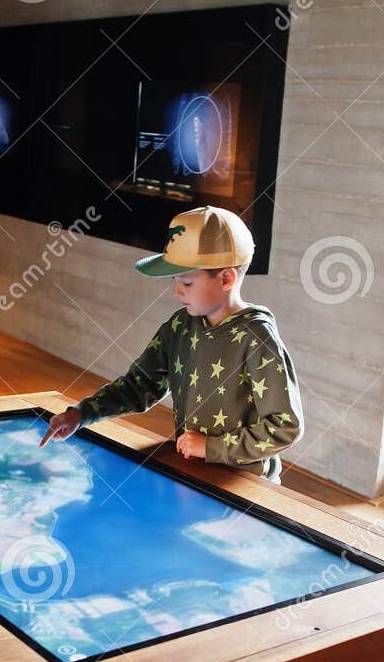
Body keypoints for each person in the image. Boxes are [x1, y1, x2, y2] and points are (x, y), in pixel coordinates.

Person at [41, 206, 302, 482]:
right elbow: (138, 386)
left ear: (226, 278)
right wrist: (82, 413)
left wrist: (211, 447)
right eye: (175, 281)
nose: (176, 291)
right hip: (192, 471)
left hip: (244, 483)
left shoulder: (256, 338)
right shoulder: (180, 325)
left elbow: (284, 427)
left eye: (187, 283)